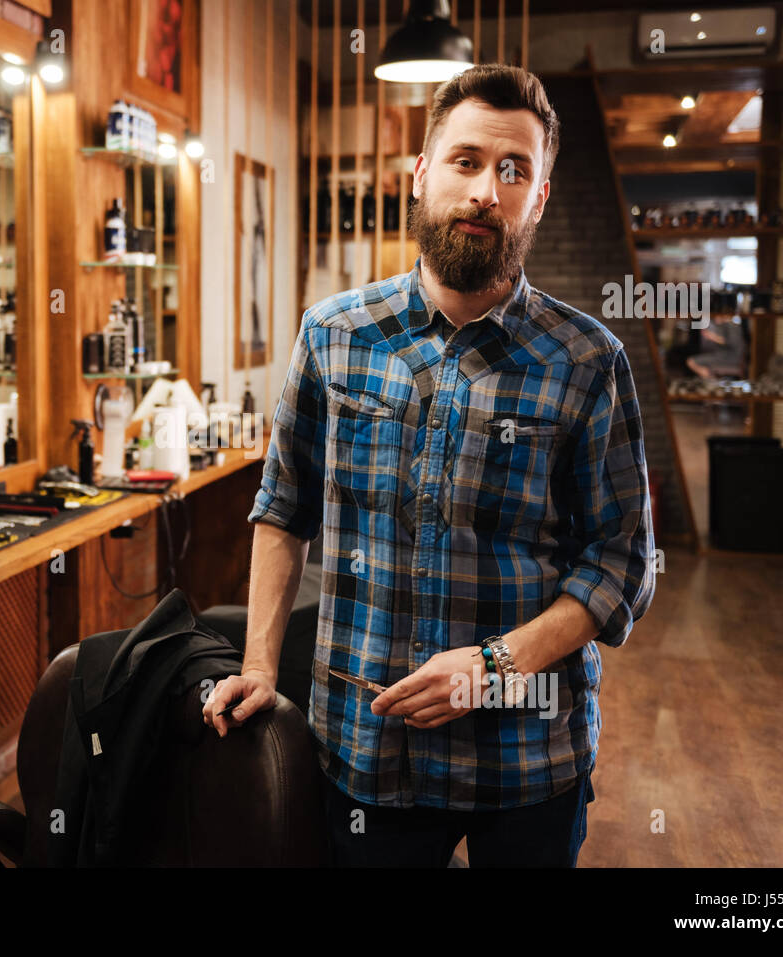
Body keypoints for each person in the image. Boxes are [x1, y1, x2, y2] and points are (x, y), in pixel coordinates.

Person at [203, 64, 656, 867]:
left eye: (515, 171)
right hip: (365, 751)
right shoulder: (334, 333)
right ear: (421, 174)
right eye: (467, 160)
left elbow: (621, 564)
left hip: (528, 760)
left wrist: (492, 666)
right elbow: (283, 507)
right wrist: (261, 665)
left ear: (539, 199)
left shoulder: (589, 360)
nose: (487, 188)